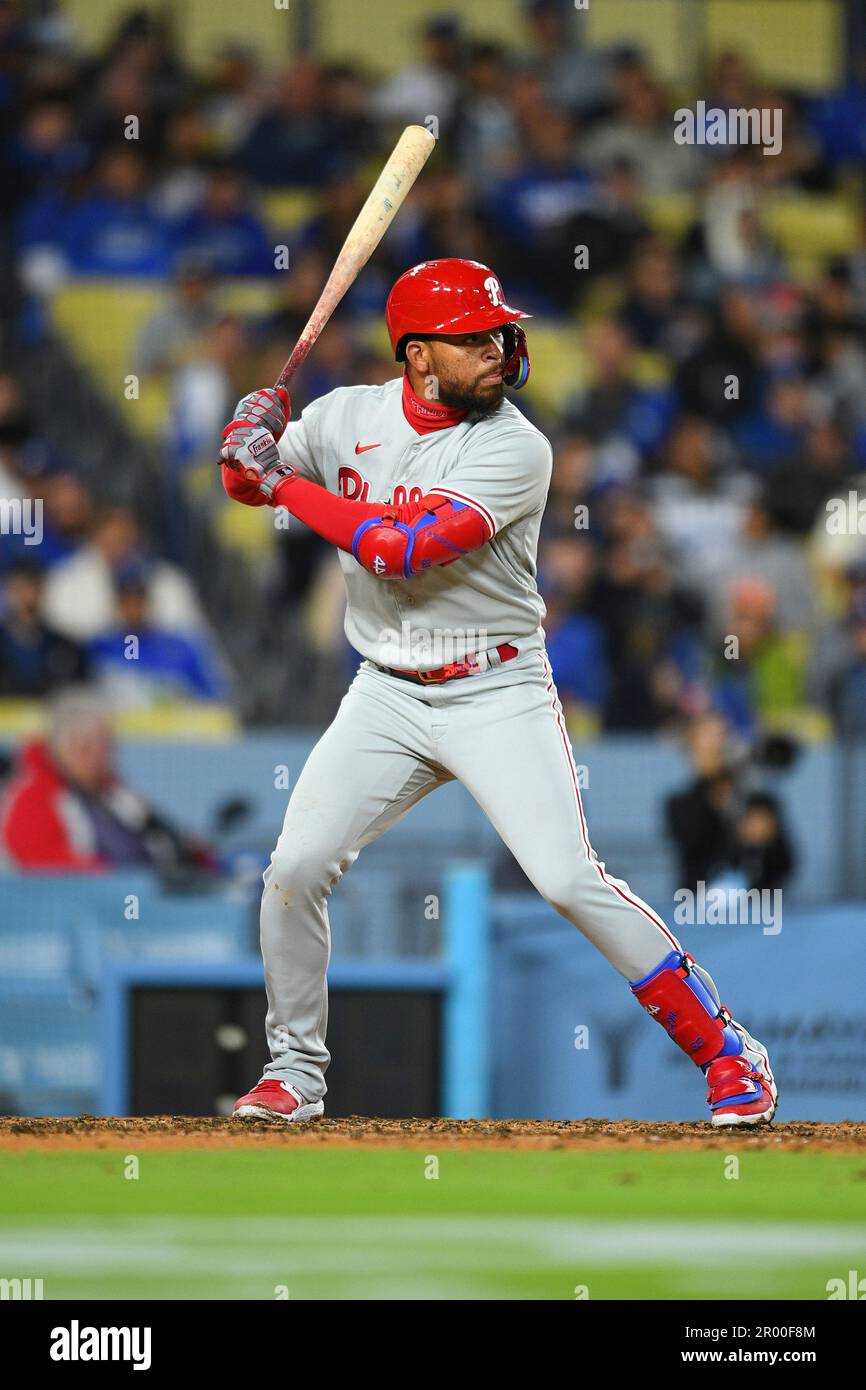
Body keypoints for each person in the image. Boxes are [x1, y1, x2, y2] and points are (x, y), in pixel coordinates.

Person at [220, 257, 776, 1128]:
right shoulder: (344, 417)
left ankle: (728, 1051)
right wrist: (246, 441)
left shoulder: (516, 444)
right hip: (387, 692)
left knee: (563, 877)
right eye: (471, 336)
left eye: (498, 331)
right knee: (291, 868)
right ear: (416, 355)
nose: (496, 347)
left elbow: (399, 549)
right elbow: (240, 483)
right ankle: (294, 1074)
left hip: (496, 687)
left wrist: (278, 478)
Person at [0, 689, 217, 874]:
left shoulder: (115, 792)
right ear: (63, 746)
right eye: (87, 746)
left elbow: (164, 835)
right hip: (94, 910)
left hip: (147, 897)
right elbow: (41, 867)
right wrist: (117, 878)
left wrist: (194, 855)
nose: (101, 755)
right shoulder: (34, 797)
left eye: (107, 745)